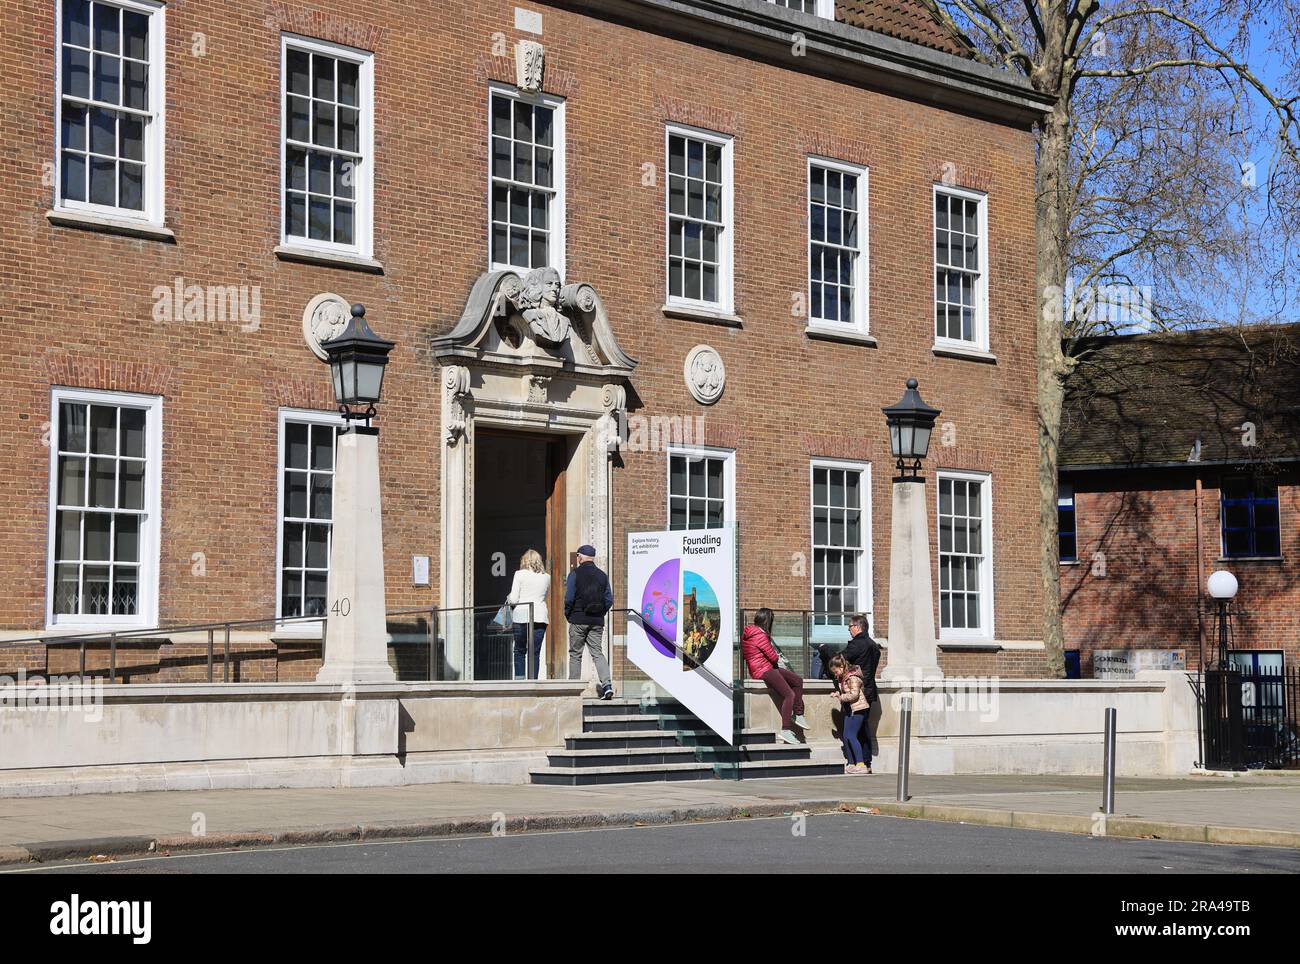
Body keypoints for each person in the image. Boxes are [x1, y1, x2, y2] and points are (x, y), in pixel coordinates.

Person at [742, 608, 809, 745]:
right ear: (768, 621)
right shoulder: (760, 635)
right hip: (763, 669)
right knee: (789, 694)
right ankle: (786, 730)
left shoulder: (751, 632)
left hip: (764, 667)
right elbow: (772, 657)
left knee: (797, 680)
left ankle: (798, 714)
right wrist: (774, 652)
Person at [565, 544, 614, 700]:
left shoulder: (574, 574)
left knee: (575, 655)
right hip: (596, 621)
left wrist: (568, 615)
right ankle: (607, 685)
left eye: (577, 556)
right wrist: (600, 613)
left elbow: (569, 598)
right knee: (597, 653)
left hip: (578, 620)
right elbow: (609, 599)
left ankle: (573, 690)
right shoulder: (602, 575)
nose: (577, 558)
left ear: (580, 557)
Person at [507, 549, 549, 680]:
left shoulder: (519, 574)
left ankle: (520, 681)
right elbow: (543, 597)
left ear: (524, 561)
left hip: (521, 617)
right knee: (535, 653)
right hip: (540, 617)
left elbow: (513, 599)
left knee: (519, 650)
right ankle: (533, 681)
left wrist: (509, 598)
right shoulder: (546, 577)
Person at [829, 653, 871, 774]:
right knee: (846, 736)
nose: (836, 675)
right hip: (850, 710)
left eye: (836, 672)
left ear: (842, 667)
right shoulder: (843, 678)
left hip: (858, 709)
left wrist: (840, 696)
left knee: (852, 736)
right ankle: (852, 763)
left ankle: (861, 764)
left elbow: (854, 694)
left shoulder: (853, 678)